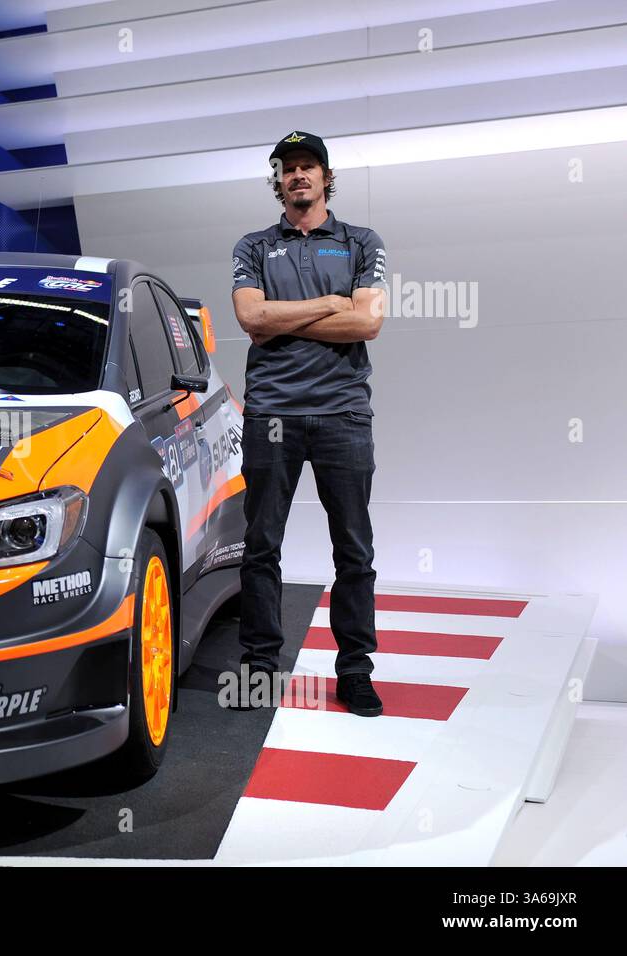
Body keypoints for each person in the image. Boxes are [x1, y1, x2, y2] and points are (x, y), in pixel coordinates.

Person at [229, 131, 387, 717]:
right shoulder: (253, 245)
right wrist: (331, 303)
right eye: (288, 168)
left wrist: (283, 318)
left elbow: (367, 326)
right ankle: (259, 669)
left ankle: (356, 672)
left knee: (353, 549)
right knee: (262, 545)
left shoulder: (360, 241)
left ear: (325, 177)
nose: (299, 176)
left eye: (308, 167)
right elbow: (251, 316)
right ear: (279, 181)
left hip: (343, 412)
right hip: (272, 411)